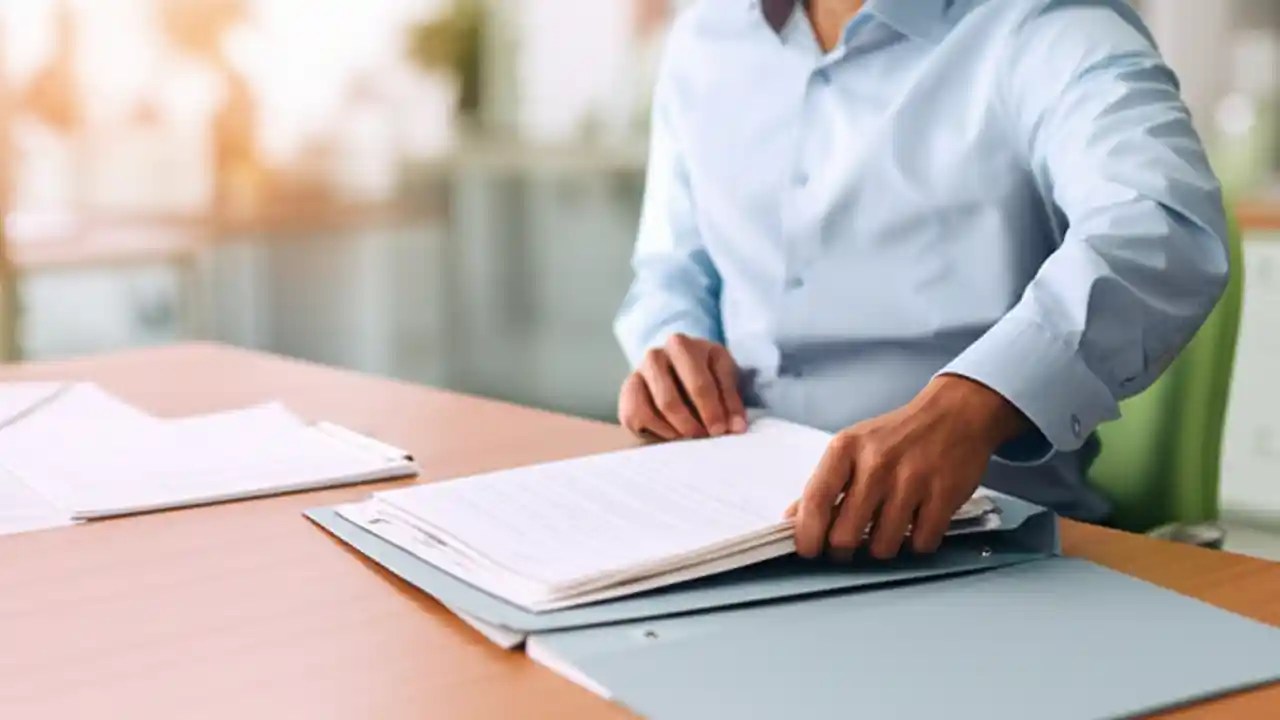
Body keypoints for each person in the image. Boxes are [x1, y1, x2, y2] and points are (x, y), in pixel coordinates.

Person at [613, 0, 1228, 562]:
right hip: (722, 524)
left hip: (967, 546)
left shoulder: (1048, 26)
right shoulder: (704, 36)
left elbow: (1162, 224)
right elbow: (671, 267)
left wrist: (974, 402)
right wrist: (672, 344)